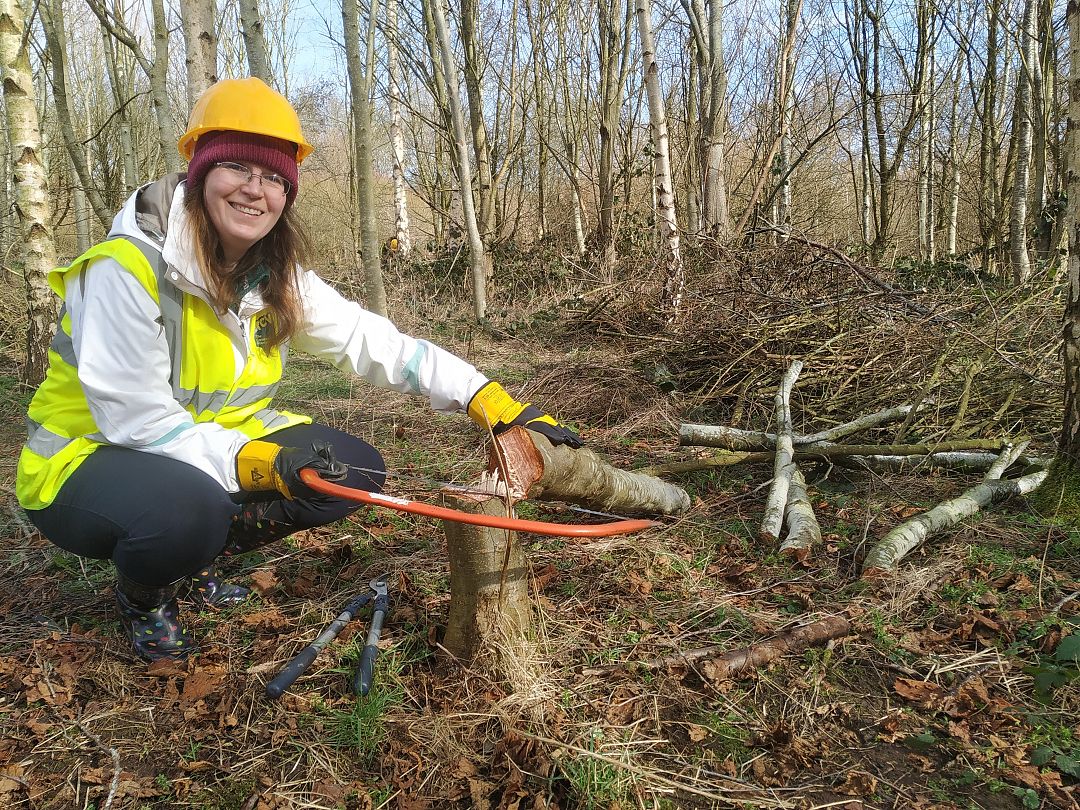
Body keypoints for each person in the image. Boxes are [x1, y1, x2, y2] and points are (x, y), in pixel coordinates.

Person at [16, 77, 581, 663]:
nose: (254, 191)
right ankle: (147, 591)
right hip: (84, 460)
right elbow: (139, 421)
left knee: (354, 468)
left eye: (273, 178)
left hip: (203, 452)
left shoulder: (270, 275)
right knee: (192, 510)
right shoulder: (123, 269)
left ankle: (193, 553)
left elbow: (373, 342)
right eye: (237, 167)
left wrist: (485, 397)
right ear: (200, 173)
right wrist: (253, 463)